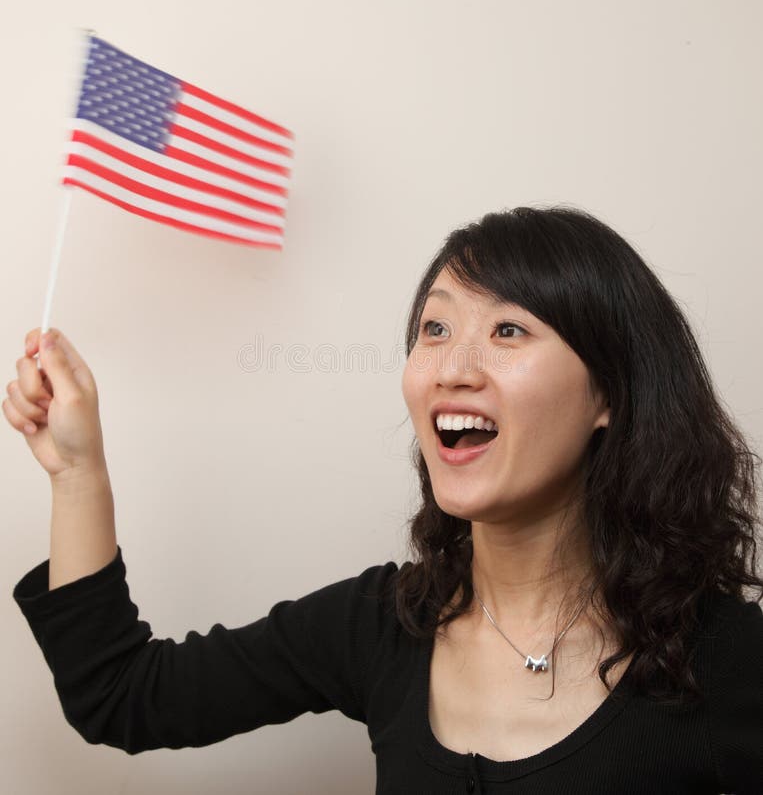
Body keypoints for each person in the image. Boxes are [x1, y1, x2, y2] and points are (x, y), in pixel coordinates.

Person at [7, 205, 763, 794]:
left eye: (507, 329)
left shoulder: (721, 657)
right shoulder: (384, 624)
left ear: (608, 393)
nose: (451, 368)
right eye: (434, 328)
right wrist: (78, 476)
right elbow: (120, 694)